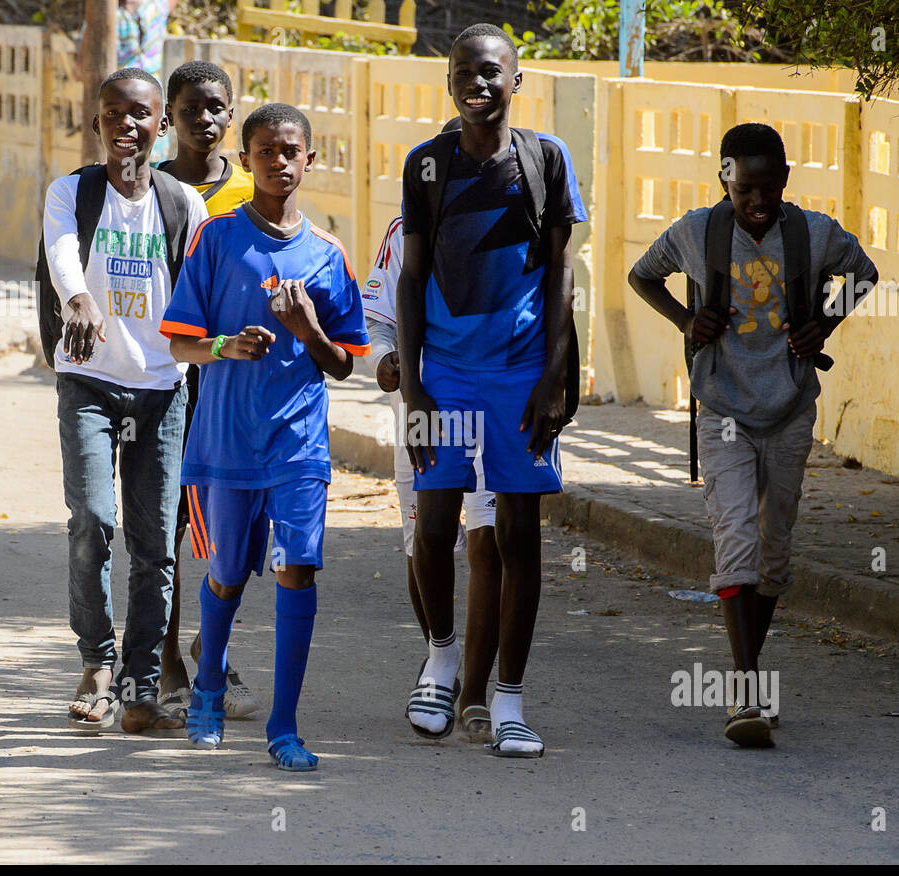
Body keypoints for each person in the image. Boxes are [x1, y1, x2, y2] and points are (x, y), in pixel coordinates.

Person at [627, 122, 877, 747]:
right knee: (734, 535)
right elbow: (641, 274)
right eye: (745, 190)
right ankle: (745, 691)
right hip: (722, 410)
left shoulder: (813, 233)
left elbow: (865, 272)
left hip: (791, 408)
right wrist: (689, 321)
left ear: (786, 182)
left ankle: (748, 682)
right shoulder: (696, 231)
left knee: (773, 548)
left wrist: (823, 323)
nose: (757, 202)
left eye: (768, 188)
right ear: (725, 181)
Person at [162, 103, 370, 771]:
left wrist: (309, 330)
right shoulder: (217, 239)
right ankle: (210, 685)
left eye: (291, 150)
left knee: (296, 567)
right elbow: (180, 344)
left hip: (299, 444)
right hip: (224, 441)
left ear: (310, 159)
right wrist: (225, 344)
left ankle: (284, 725)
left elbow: (344, 362)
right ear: (245, 158)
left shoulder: (328, 253)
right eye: (265, 151)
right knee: (225, 574)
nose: (279, 161)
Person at [397, 24, 586, 757]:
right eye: (462, 74)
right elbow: (411, 279)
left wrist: (552, 378)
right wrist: (413, 385)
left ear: (516, 80)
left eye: (490, 72)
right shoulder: (427, 165)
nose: (476, 84)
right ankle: (442, 657)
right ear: (449, 84)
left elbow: (562, 273)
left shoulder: (545, 159)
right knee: (435, 525)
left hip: (518, 373)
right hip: (441, 371)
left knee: (518, 534)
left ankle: (508, 698)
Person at [43, 67, 208, 734]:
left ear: (160, 124)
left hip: (162, 388)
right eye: (114, 113)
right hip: (88, 380)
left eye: (140, 114)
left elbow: (199, 295)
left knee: (157, 546)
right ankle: (97, 661)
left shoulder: (182, 203)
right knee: (91, 516)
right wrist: (77, 295)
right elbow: (60, 250)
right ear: (98, 122)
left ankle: (140, 686)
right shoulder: (72, 192)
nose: (127, 125)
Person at [363, 172, 503, 745]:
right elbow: (376, 319)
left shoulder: (517, 227)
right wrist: (387, 360)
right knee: (427, 542)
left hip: (498, 407)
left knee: (489, 538)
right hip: (425, 412)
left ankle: (476, 689)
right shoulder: (405, 232)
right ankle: (439, 660)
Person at [154, 59, 259, 722]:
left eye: (217, 107)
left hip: (233, 381)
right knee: (161, 523)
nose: (206, 120)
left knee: (239, 527)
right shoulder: (148, 186)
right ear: (168, 115)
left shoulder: (251, 189)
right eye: (191, 108)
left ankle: (209, 641)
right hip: (165, 377)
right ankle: (166, 659)